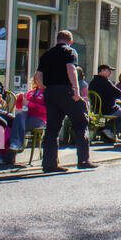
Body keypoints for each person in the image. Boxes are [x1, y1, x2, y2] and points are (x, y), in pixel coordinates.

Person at [35, 30, 95, 172]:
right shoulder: (70, 52)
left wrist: (43, 87)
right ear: (70, 41)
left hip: (50, 92)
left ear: (57, 39)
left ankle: (49, 164)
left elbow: (38, 75)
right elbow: (71, 68)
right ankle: (83, 160)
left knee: (52, 128)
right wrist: (76, 89)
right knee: (81, 123)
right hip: (66, 90)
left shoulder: (47, 53)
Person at [88, 64, 121, 144]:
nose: (110, 73)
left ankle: (106, 128)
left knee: (120, 115)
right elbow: (118, 94)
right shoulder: (105, 82)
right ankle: (111, 131)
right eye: (108, 71)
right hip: (109, 109)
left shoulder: (92, 82)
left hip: (96, 109)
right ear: (102, 71)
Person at [9, 80, 47, 152]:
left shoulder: (47, 93)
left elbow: (46, 110)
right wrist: (20, 99)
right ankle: (15, 145)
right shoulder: (31, 92)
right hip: (26, 117)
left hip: (39, 119)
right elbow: (19, 107)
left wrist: (29, 104)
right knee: (19, 117)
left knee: (16, 124)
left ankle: (14, 148)